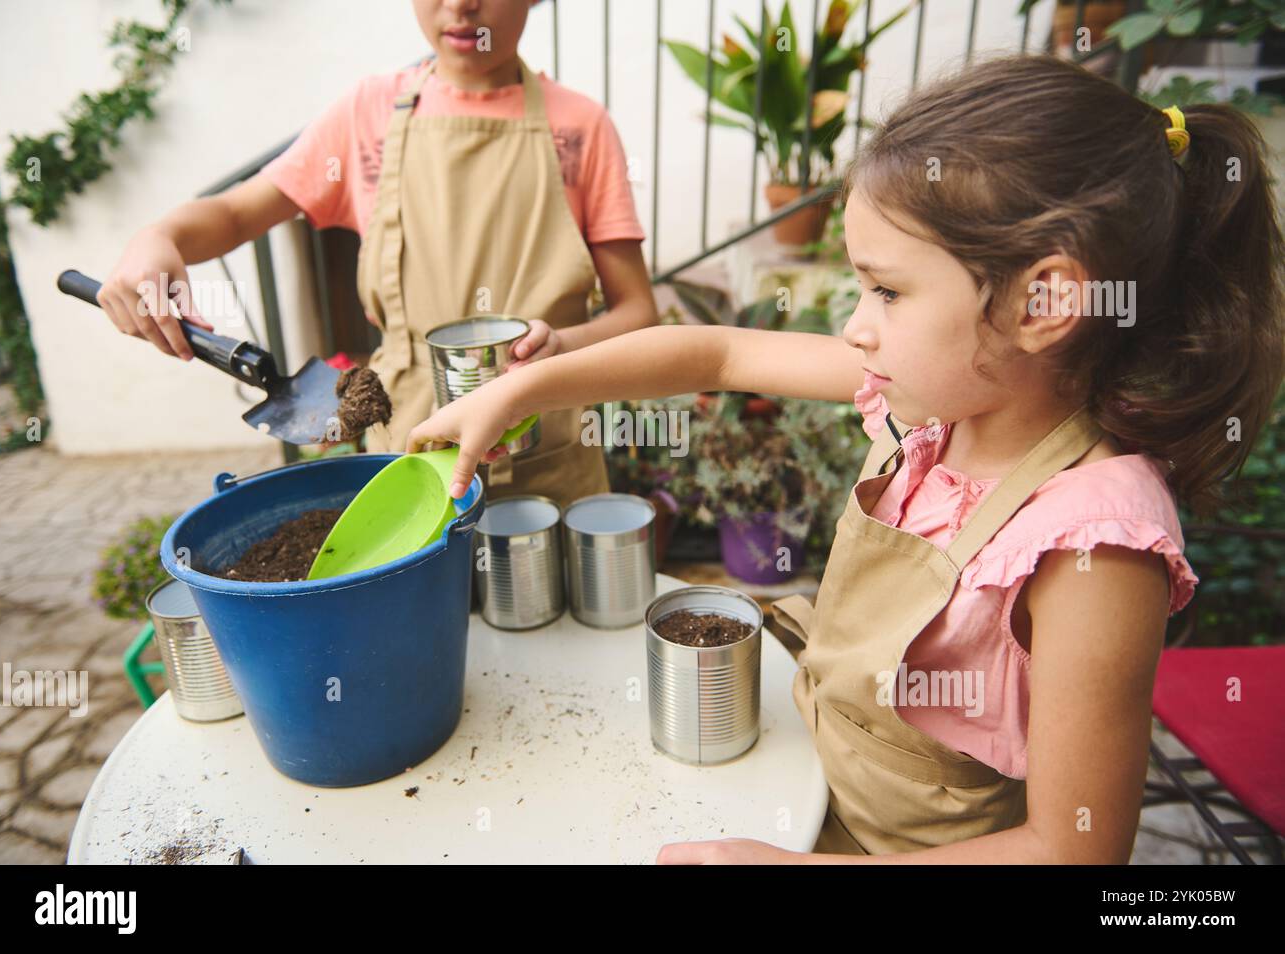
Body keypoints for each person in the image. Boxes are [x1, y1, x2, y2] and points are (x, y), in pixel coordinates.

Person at [406, 54, 1285, 863]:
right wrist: (518, 391)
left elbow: (1071, 850)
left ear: (1044, 301)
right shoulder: (940, 405)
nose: (856, 325)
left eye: (888, 290)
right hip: (811, 780)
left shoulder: (1092, 546)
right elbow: (716, 354)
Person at [96, 0, 655, 505]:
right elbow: (238, 214)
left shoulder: (580, 128)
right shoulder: (369, 114)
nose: (460, 6)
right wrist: (157, 238)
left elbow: (637, 312)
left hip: (548, 462)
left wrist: (558, 348)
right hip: (408, 454)